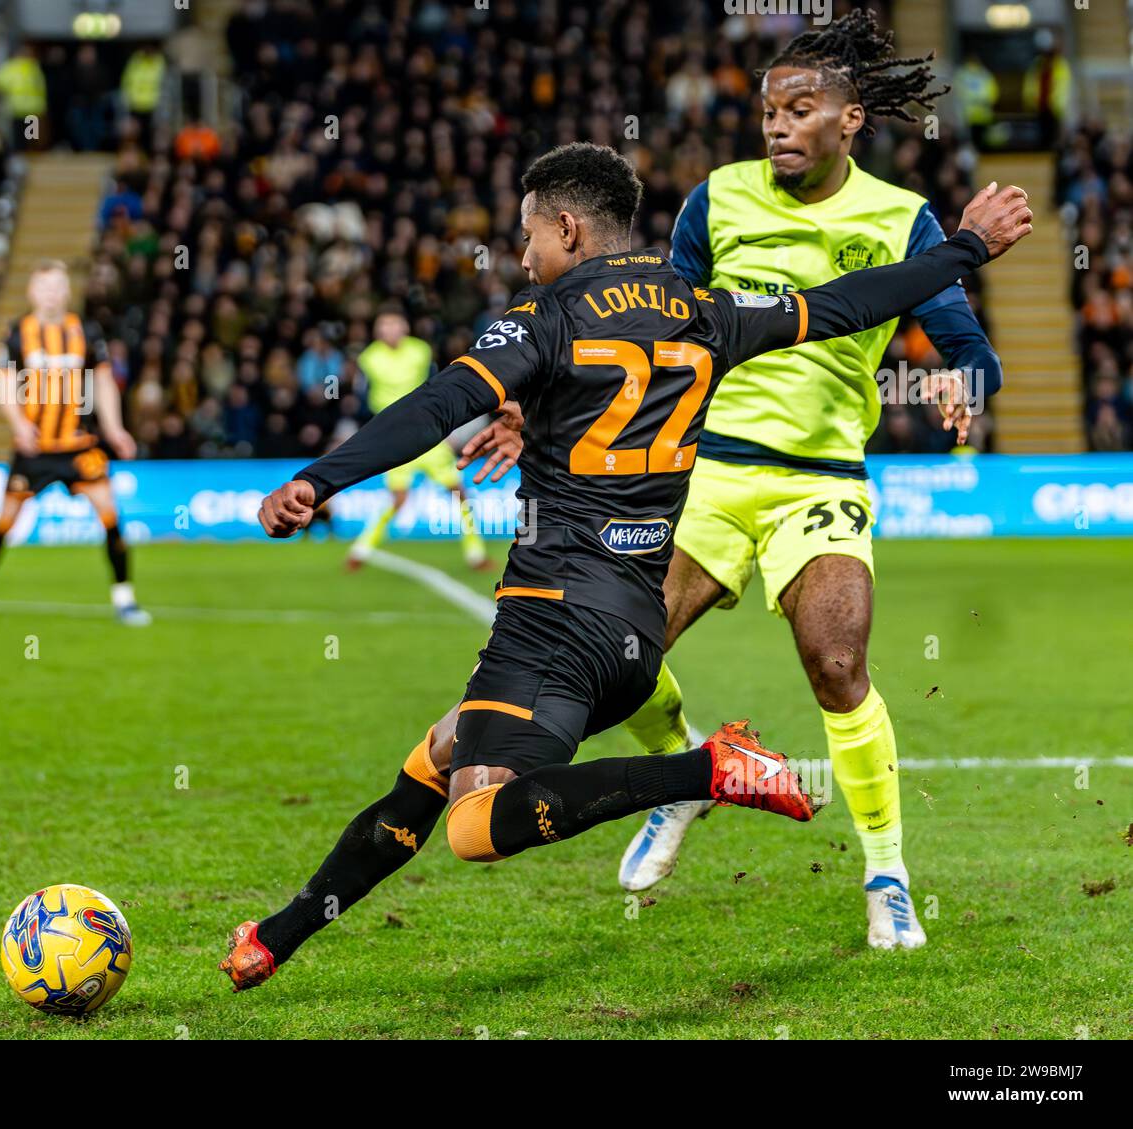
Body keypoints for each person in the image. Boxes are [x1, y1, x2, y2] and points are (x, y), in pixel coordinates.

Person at [218, 141, 1031, 990]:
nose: (523, 253)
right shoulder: (704, 309)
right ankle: (276, 936)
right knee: (436, 759)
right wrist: (964, 247)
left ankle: (707, 768)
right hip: (632, 639)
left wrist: (320, 477)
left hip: (551, 621)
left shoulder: (545, 319)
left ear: (568, 228)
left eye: (528, 234)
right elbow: (839, 305)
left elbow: (440, 402)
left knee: (472, 824)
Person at [468, 10, 1004, 951]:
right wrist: (542, 401)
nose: (778, 128)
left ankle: (887, 872)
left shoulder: (900, 219)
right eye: (767, 114)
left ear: (850, 121)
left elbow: (964, 342)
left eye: (800, 111)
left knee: (837, 666)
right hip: (706, 472)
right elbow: (645, 326)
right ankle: (683, 779)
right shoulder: (717, 201)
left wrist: (968, 383)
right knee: (622, 666)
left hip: (821, 476)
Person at [0, 261, 150, 628]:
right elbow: (3, 384)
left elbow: (104, 382)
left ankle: (125, 600)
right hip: (35, 450)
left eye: (57, 286)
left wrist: (115, 429)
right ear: (32, 292)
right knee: (3, 525)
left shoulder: (86, 331)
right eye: (44, 287)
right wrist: (18, 425)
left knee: (111, 519)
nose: (51, 294)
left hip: (81, 447)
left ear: (67, 291)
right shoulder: (16, 333)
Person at [345, 308, 489, 571]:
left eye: (394, 324)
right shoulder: (369, 358)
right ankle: (361, 550)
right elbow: (362, 397)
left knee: (459, 493)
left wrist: (443, 426)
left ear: (404, 328)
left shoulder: (420, 351)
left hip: (427, 432)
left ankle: (476, 554)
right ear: (377, 331)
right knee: (398, 498)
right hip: (393, 435)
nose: (389, 330)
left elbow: (438, 384)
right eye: (384, 325)